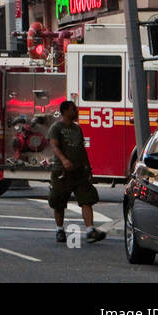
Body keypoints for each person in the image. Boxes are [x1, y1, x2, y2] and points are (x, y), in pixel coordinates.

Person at [48, 100, 105, 244]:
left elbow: (82, 148)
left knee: (87, 200)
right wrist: (64, 160)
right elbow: (54, 146)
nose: (76, 111)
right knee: (59, 201)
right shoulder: (56, 127)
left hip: (79, 172)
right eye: (74, 109)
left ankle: (90, 230)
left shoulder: (77, 129)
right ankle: (60, 230)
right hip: (61, 172)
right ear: (65, 111)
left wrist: (88, 167)